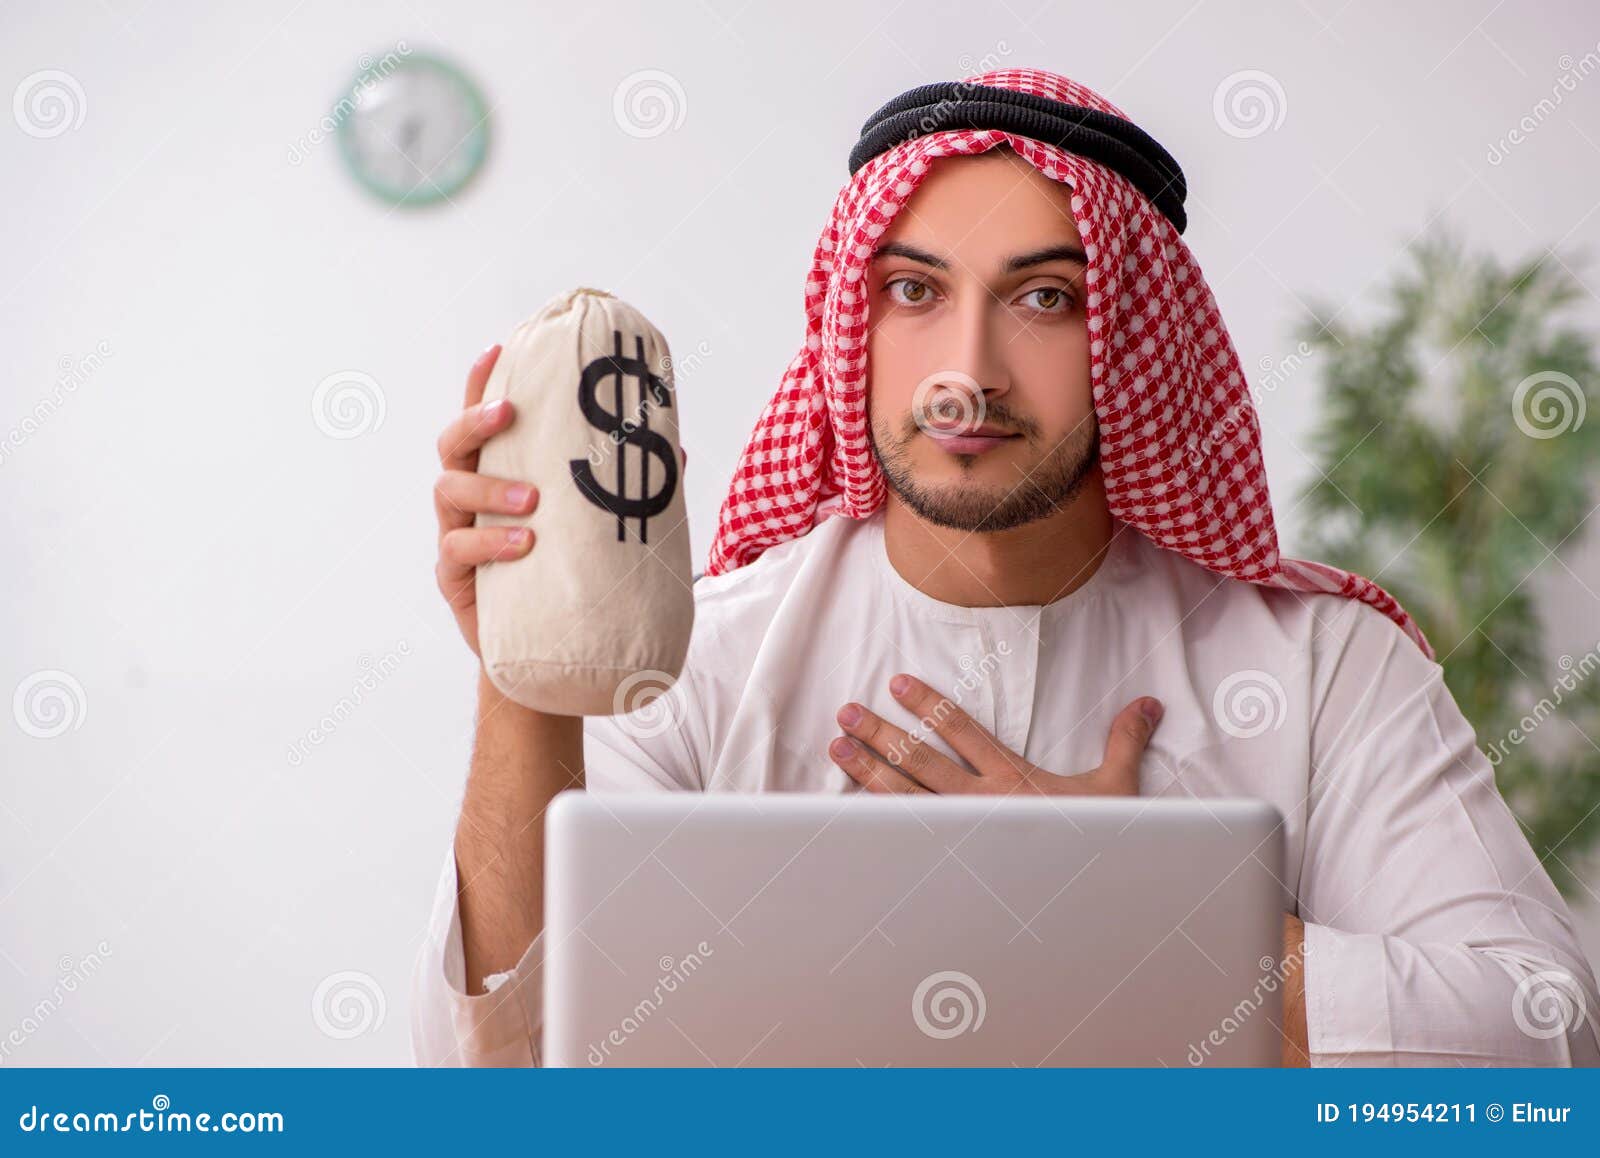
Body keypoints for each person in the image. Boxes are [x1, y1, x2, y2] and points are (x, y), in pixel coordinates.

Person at [413, 68, 1600, 1067]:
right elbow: (500, 1070)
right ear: (855, 329)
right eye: (913, 292)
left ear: (1132, 338)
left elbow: (1544, 1034)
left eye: (1043, 298)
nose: (964, 374)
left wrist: (1132, 915)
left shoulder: (1324, 667)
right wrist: (525, 665)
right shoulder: (700, 659)